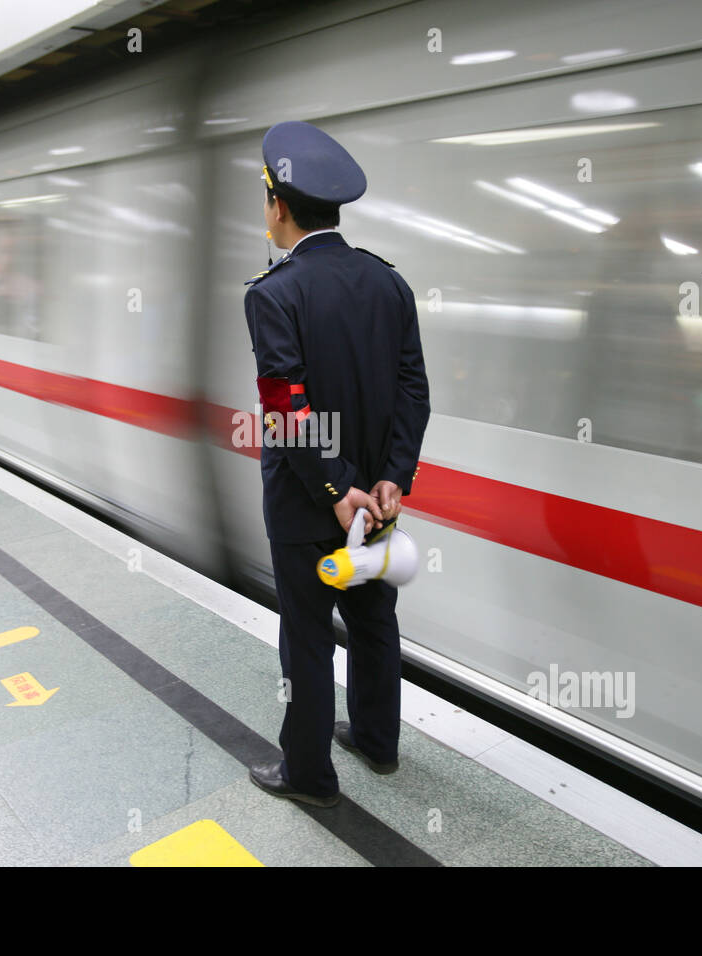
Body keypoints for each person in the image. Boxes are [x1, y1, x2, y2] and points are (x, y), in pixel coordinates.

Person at [243, 121, 430, 807]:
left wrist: (333, 486)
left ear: (279, 204)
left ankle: (309, 775)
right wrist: (387, 480)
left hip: (305, 504)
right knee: (375, 618)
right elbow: (414, 390)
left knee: (308, 635)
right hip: (375, 507)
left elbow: (287, 408)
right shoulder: (389, 284)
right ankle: (379, 741)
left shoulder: (273, 295)